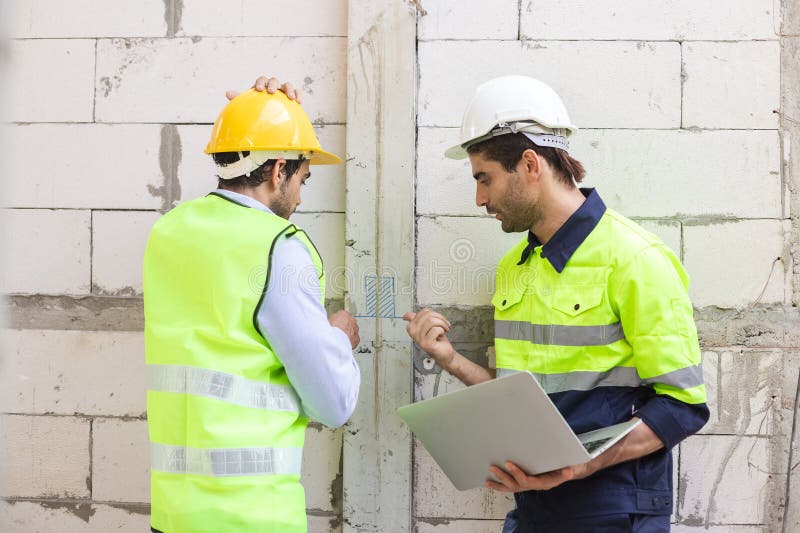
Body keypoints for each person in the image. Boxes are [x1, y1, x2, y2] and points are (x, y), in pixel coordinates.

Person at [403, 75, 709, 532]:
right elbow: (524, 402)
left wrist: (582, 466)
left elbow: (683, 405)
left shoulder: (635, 259)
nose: (479, 198)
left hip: (613, 511)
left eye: (484, 178)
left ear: (530, 164)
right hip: (534, 510)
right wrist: (449, 360)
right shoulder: (515, 267)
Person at [143, 76, 361, 533]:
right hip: (251, 518)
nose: (300, 196)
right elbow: (333, 404)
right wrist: (338, 336)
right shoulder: (278, 247)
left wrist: (257, 111)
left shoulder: (170, 232)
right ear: (279, 169)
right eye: (302, 177)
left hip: (173, 515)